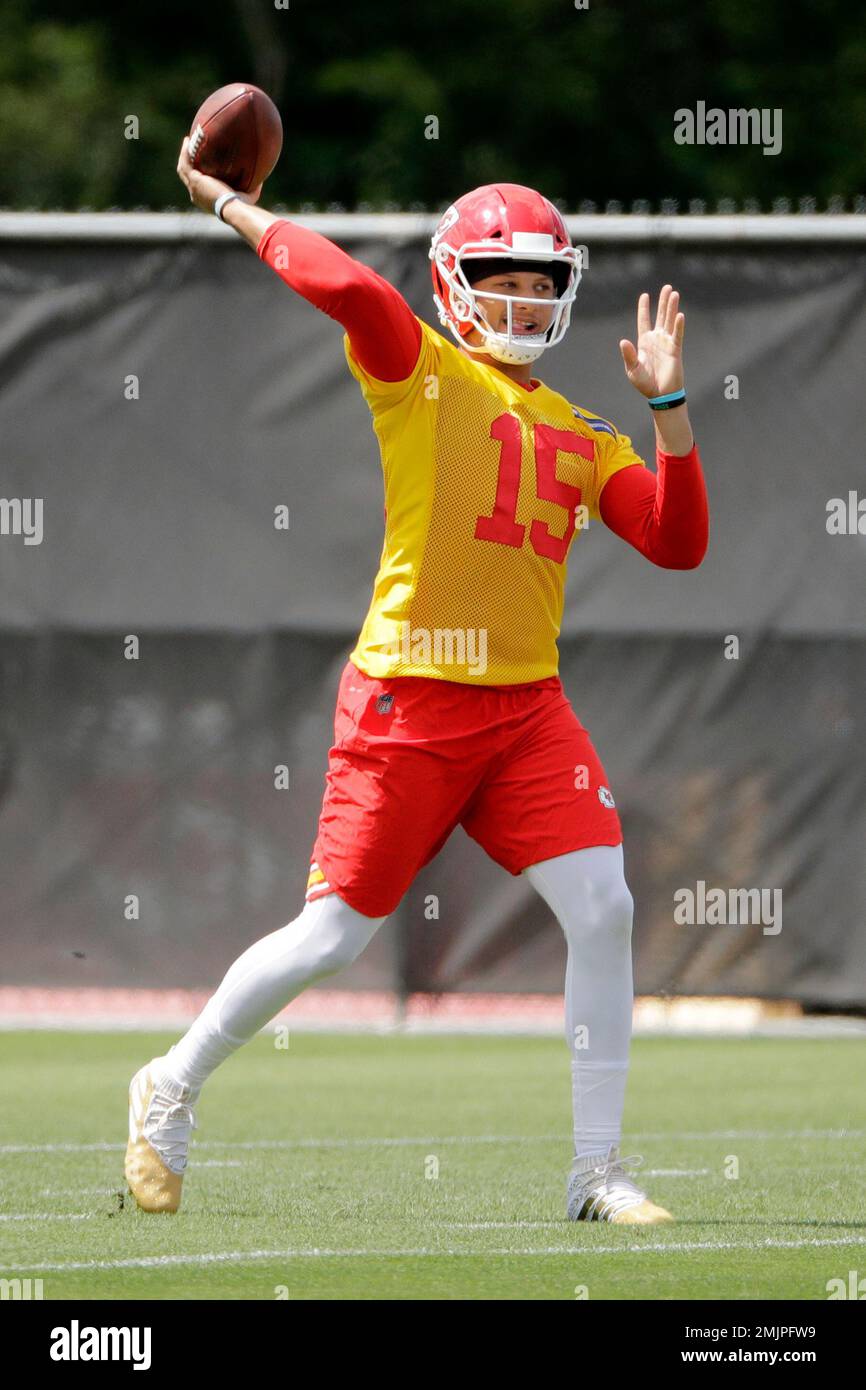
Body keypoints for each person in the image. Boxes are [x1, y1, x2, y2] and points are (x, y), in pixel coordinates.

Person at [124, 140, 708, 1222]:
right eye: (502, 283)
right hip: (411, 695)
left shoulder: (583, 432)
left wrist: (669, 407)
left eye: (542, 286)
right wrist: (227, 204)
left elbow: (677, 544)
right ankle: (170, 1081)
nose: (524, 304)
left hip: (526, 708)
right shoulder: (422, 371)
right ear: (454, 284)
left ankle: (595, 1171)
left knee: (603, 906)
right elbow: (344, 285)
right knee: (334, 934)